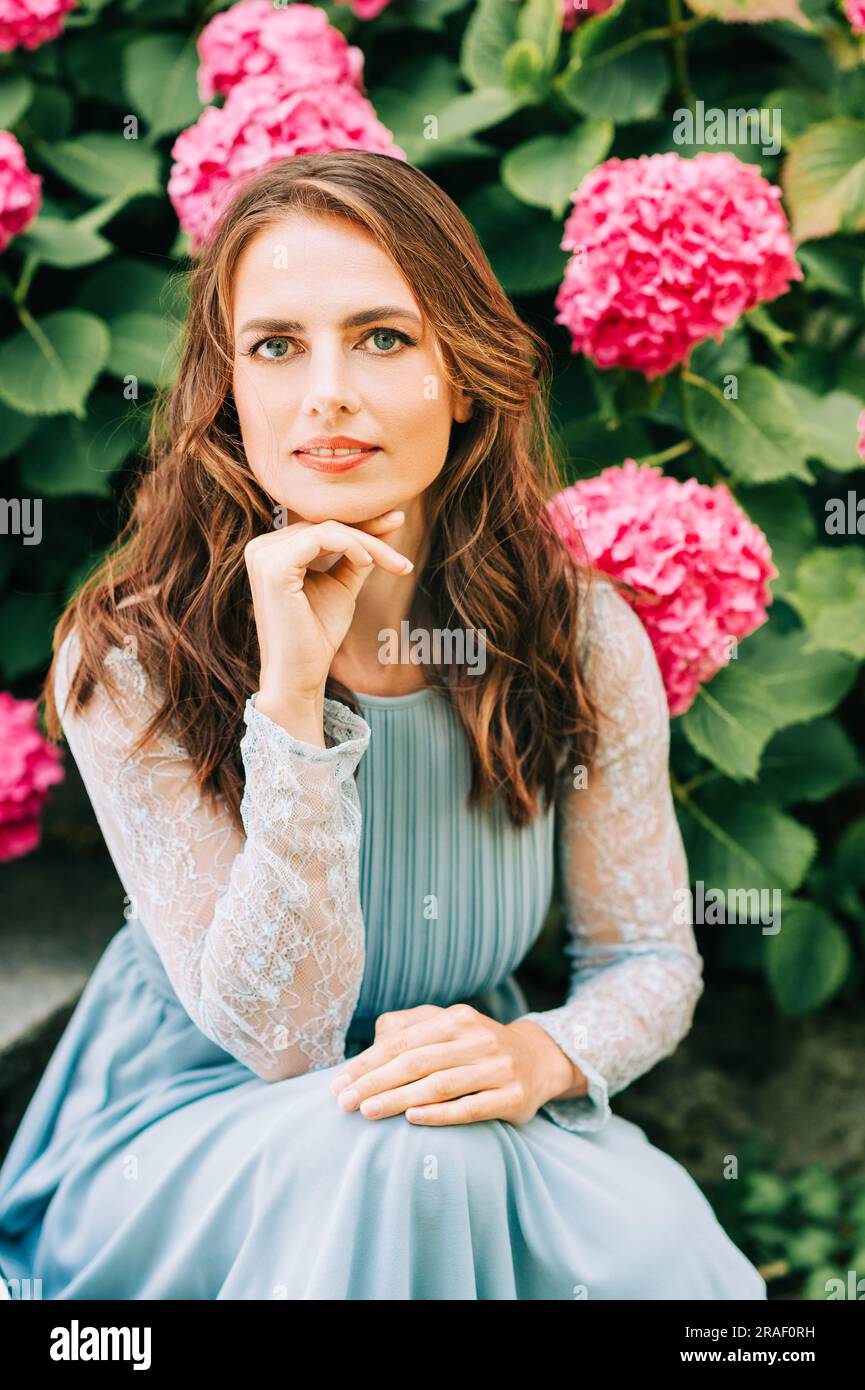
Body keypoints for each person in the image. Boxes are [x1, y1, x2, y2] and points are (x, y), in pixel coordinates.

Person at [0, 151, 767, 1301]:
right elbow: (285, 1037)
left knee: (658, 1257)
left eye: (383, 337)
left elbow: (647, 959)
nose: (326, 394)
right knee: (400, 1157)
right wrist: (293, 705)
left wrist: (538, 1052)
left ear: (463, 375)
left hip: (470, 1086)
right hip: (197, 1122)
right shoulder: (130, 659)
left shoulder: (578, 630)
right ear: (229, 391)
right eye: (275, 347)